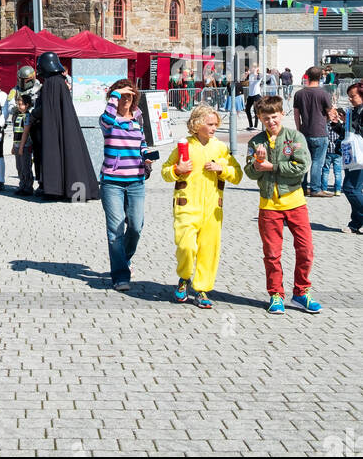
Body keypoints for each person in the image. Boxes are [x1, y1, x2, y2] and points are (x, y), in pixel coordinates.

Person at [244, 96, 321, 314]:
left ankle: (301, 292)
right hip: (268, 205)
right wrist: (258, 164)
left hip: (295, 202)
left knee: (305, 249)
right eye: (266, 118)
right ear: (259, 117)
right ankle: (275, 294)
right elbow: (249, 172)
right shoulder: (256, 142)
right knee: (272, 253)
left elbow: (303, 165)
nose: (271, 121)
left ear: (282, 115)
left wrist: (272, 167)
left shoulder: (294, 137)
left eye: (274, 117)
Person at [161, 104, 242, 308]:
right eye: (210, 124)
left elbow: (238, 174)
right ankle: (184, 277)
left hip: (213, 208)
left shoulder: (220, 148)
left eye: (216, 124)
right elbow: (164, 172)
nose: (214, 128)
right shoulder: (184, 146)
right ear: (197, 124)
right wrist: (177, 170)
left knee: (209, 250)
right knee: (186, 246)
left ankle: (202, 289)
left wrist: (221, 168)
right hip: (186, 205)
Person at [26, 52, 99, 204]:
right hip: (63, 125)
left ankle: (55, 190)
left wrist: (33, 114)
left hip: (53, 128)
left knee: (54, 155)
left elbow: (45, 107)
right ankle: (72, 191)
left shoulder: (51, 83)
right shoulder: (59, 81)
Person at [98, 79, 150, 290]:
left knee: (136, 227)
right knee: (115, 229)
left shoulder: (137, 118)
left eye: (130, 96)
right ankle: (120, 275)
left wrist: (147, 156)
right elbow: (109, 119)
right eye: (122, 96)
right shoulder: (107, 119)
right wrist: (116, 93)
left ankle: (124, 259)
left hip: (136, 181)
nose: (126, 100)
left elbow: (143, 143)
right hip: (112, 183)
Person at [293, 66, 333, 196]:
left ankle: (302, 187)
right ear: (321, 77)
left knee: (304, 161)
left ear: (307, 76)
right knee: (317, 162)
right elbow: (330, 113)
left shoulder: (299, 94)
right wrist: (327, 119)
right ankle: (315, 189)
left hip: (305, 132)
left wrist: (298, 129)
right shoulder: (323, 94)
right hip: (320, 131)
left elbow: (296, 114)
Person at [341, 81, 363, 235]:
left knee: (350, 188)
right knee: (354, 189)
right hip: (352, 154)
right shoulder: (354, 111)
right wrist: (338, 123)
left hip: (360, 155)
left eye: (353, 96)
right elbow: (348, 134)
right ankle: (355, 223)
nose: (350, 99)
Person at [11, 93, 34, 196]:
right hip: (17, 145)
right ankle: (22, 185)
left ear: (27, 105)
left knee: (26, 167)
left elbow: (25, 132)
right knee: (19, 167)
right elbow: (15, 132)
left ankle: (28, 187)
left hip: (25, 146)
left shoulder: (27, 116)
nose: (19, 106)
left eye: (21, 104)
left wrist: (21, 146)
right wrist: (13, 145)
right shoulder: (17, 115)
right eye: (18, 104)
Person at [322, 106, 345, 197]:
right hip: (338, 151)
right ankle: (338, 190)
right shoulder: (341, 126)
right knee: (338, 172)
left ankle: (324, 188)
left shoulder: (327, 125)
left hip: (327, 150)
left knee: (325, 171)